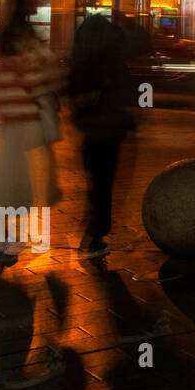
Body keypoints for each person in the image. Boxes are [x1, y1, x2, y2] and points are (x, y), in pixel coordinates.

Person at [0, 0, 59, 268]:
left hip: (13, 119)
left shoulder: (12, 32)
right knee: (15, 183)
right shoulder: (21, 34)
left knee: (11, 182)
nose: (39, 1)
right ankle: (7, 241)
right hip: (21, 119)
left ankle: (5, 240)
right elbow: (33, 75)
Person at [67, 14, 137, 259]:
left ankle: (94, 230)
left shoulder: (84, 60)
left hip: (91, 130)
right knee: (103, 183)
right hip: (110, 130)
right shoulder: (114, 60)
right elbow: (127, 91)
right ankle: (95, 235)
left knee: (96, 182)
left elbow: (72, 90)